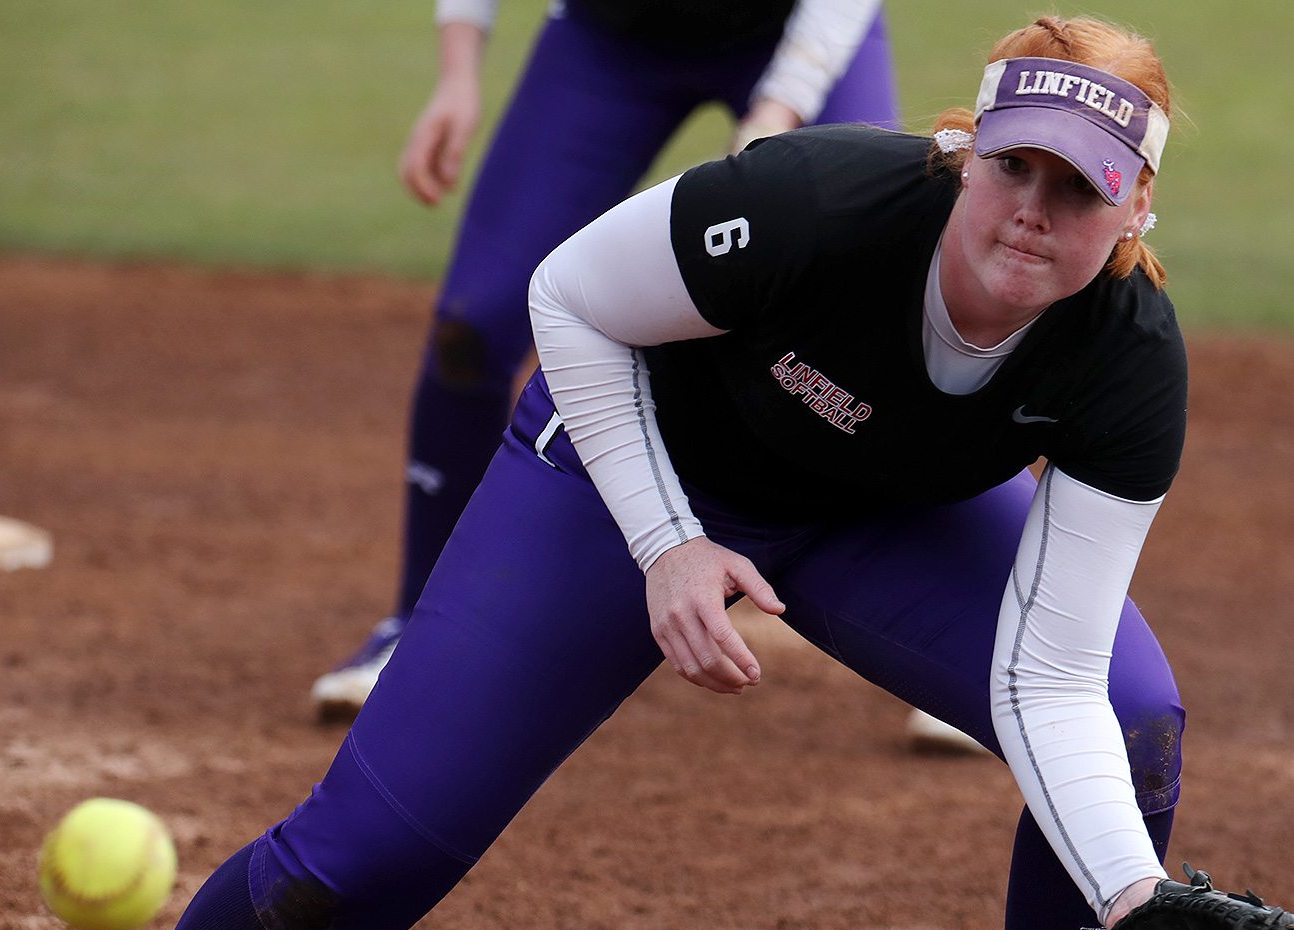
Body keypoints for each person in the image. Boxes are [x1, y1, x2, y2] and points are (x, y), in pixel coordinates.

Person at [0, 14, 1190, 930]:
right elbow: (570, 298)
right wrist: (670, 543)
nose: (1034, 210)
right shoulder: (816, 200)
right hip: (626, 467)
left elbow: (1053, 675)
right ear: (964, 154)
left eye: (1080, 185)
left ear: (1133, 203)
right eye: (1017, 166)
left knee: (1132, 720)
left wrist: (1130, 893)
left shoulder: (1128, 352)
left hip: (880, 519)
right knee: (372, 857)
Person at [311, 0, 899, 719]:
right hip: (608, 37)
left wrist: (779, 109)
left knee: (884, 291)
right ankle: (412, 633)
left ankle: (962, 642)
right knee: (471, 327)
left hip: (794, 24)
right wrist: (457, 73)